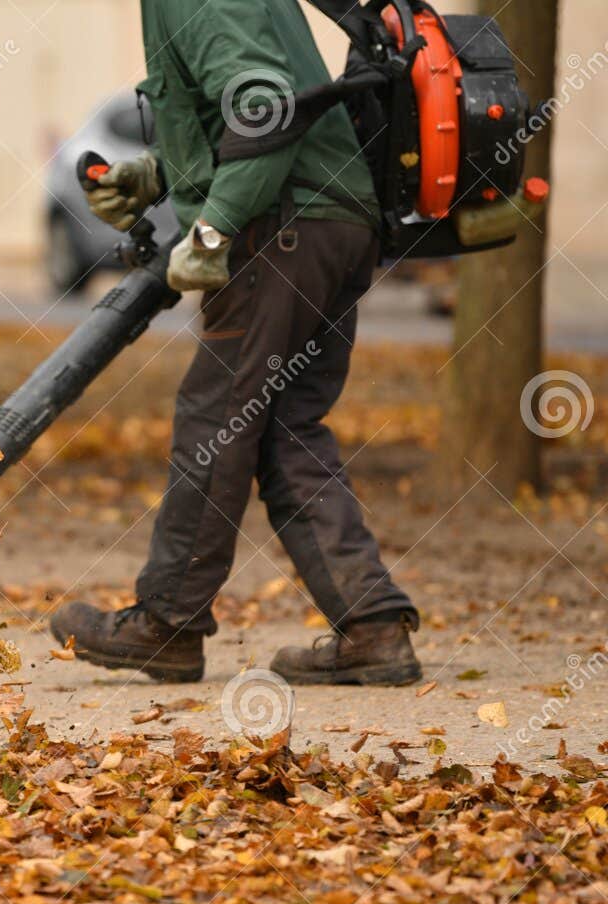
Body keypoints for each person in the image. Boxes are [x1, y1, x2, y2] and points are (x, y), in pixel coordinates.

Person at [51, 0, 421, 687]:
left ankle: (167, 623)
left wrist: (214, 226)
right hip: (334, 220)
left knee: (218, 420)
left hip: (281, 227)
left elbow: (267, 104)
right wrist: (161, 172)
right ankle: (373, 629)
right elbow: (257, 108)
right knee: (287, 431)